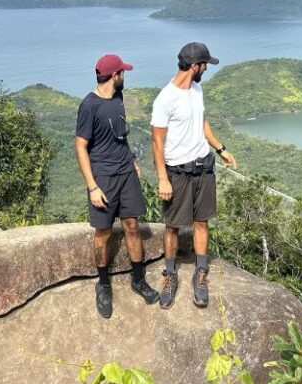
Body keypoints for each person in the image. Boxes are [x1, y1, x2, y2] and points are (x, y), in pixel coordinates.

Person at [150, 42, 236, 309]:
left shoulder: (197, 89)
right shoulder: (165, 98)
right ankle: (169, 274)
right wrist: (163, 179)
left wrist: (220, 148)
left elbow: (202, 122)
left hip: (204, 168)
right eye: (205, 65)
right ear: (195, 66)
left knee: (202, 222)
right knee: (173, 226)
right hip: (178, 172)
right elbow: (157, 142)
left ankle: (200, 274)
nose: (207, 69)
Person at [75, 53, 159, 318]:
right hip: (103, 178)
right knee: (103, 233)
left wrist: (132, 159)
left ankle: (138, 279)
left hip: (126, 173)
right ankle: (103, 284)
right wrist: (92, 186)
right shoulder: (89, 106)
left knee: (132, 225)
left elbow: (119, 136)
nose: (125, 76)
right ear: (115, 75)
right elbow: (81, 146)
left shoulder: (118, 98)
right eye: (123, 72)